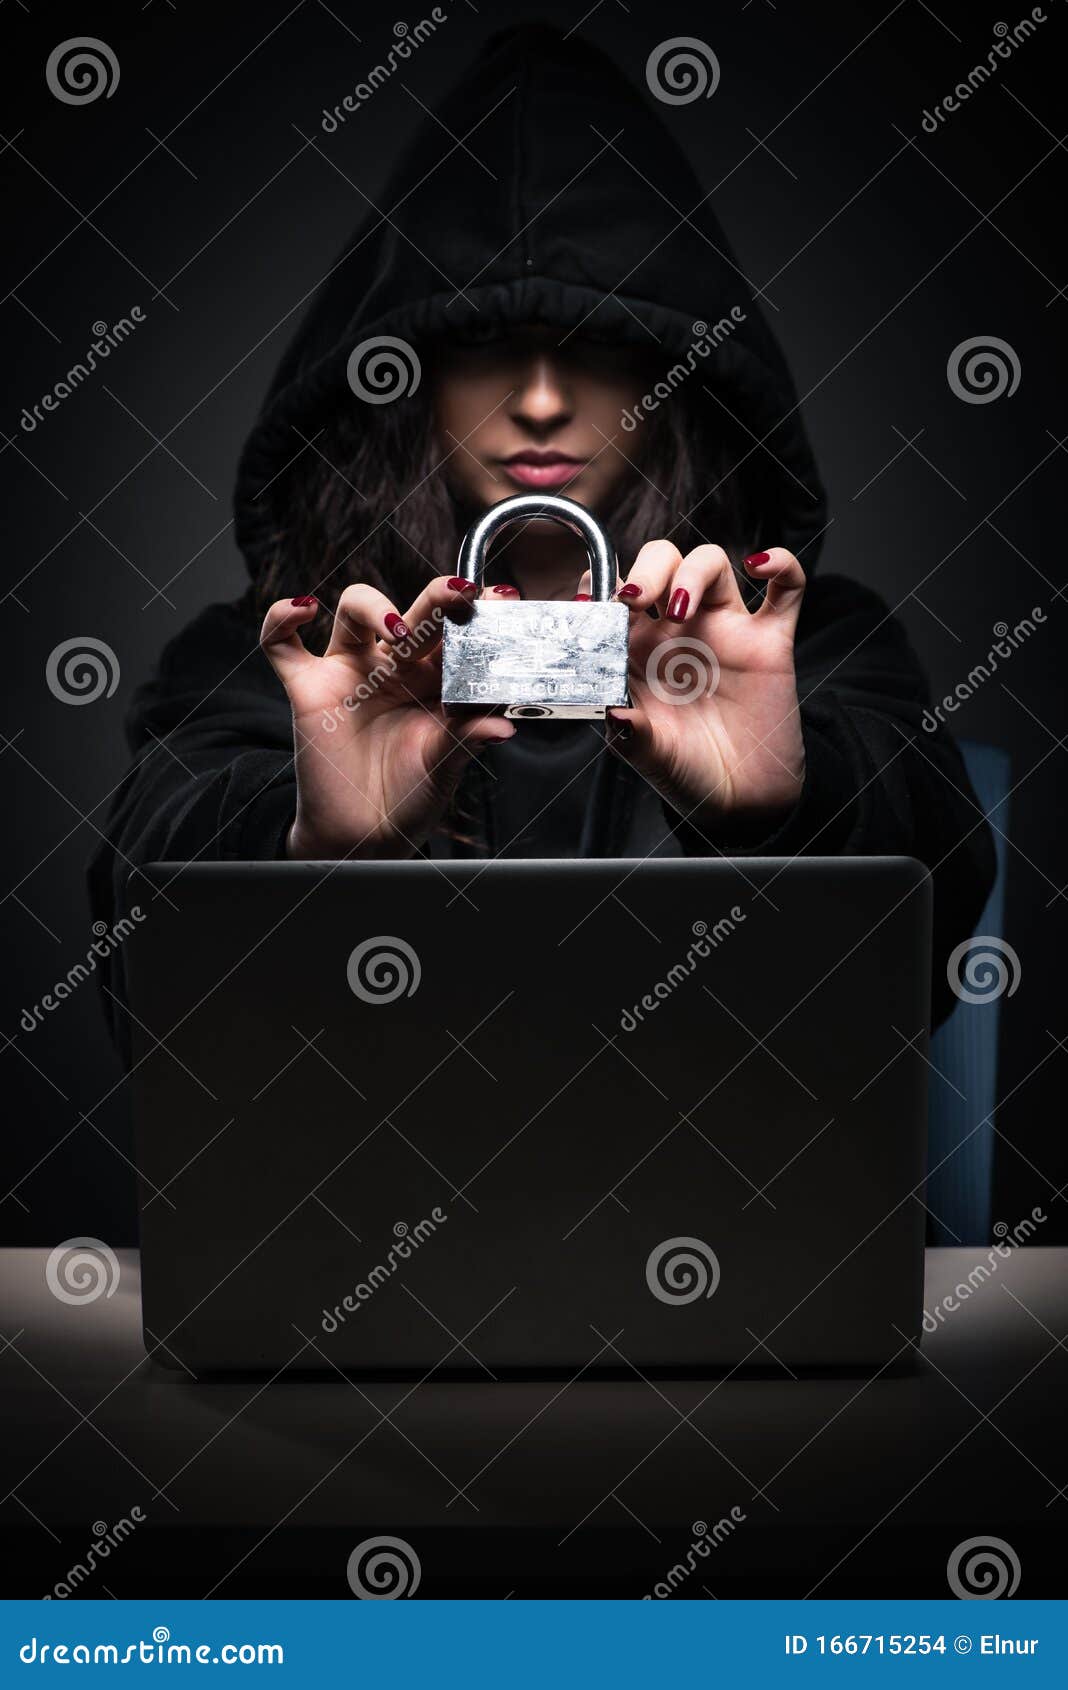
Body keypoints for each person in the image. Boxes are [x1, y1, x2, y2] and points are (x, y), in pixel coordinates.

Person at [89, 25, 994, 1045]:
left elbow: (933, 938)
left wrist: (790, 802)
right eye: (484, 347)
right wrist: (298, 839)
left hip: (725, 1192)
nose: (541, 401)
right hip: (365, 1196)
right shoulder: (286, 659)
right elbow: (141, 955)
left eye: (601, 349)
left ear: (676, 378)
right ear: (408, 374)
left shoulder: (809, 644)